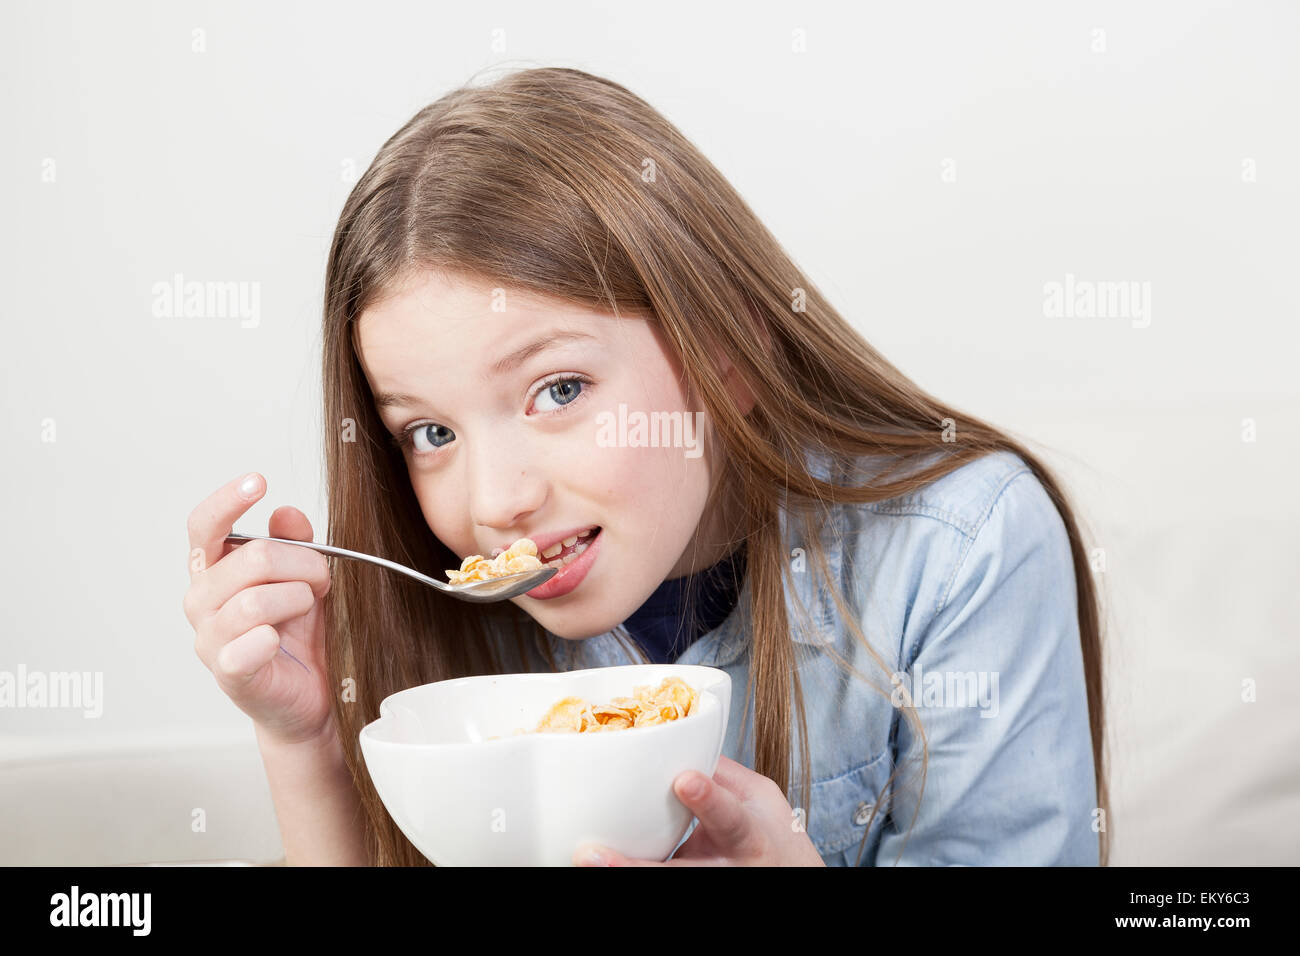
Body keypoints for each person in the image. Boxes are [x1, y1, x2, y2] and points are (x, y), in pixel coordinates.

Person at [182, 67, 1107, 867]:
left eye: (558, 390)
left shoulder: (964, 549)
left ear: (727, 355)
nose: (497, 502)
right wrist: (302, 741)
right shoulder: (451, 633)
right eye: (431, 434)